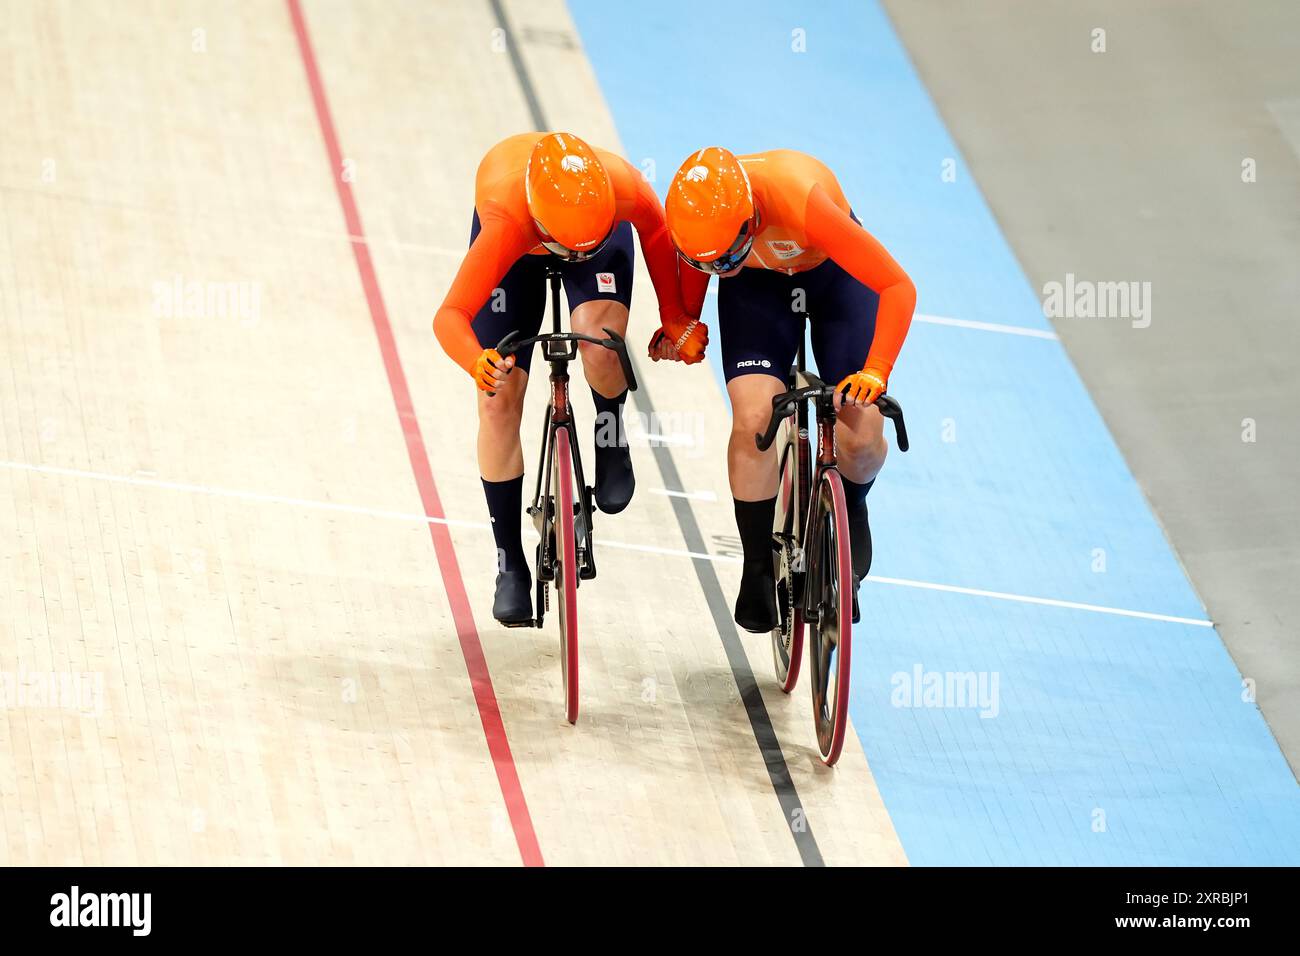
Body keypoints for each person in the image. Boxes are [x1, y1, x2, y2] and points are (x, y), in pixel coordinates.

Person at [434, 132, 708, 625]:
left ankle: (611, 430)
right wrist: (477, 361)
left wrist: (674, 315)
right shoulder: (506, 220)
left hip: (589, 225)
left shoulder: (622, 186)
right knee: (497, 398)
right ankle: (509, 562)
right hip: (521, 248)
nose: (574, 258)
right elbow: (450, 315)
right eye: (569, 250)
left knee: (601, 346)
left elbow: (658, 233)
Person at [656, 146, 916, 632]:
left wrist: (876, 371)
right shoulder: (700, 224)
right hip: (758, 293)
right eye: (714, 263)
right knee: (754, 422)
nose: (721, 267)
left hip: (834, 278)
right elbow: (698, 266)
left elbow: (899, 288)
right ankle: (756, 565)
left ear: (750, 219)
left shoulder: (801, 202)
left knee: (859, 434)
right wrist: (683, 326)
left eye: (728, 255)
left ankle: (853, 508)